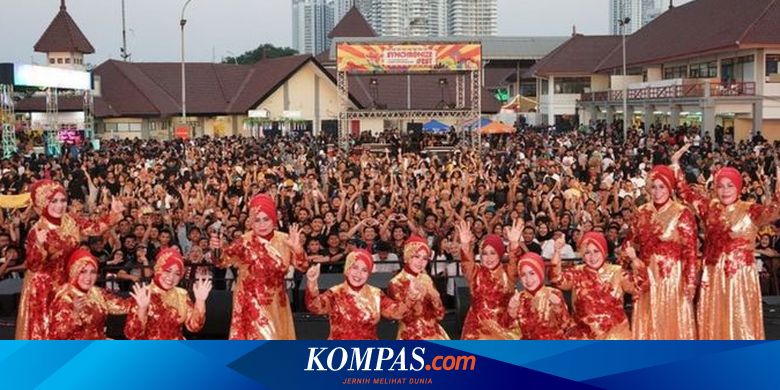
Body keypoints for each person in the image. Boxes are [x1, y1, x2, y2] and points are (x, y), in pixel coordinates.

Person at [672, 144, 780, 339]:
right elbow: (686, 194)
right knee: (713, 320)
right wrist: (675, 165)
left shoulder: (751, 210)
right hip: (712, 275)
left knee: (741, 321)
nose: (725, 190)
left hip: (740, 277)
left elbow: (775, 209)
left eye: (730, 185)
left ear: (739, 188)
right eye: (720, 185)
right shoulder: (709, 207)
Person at [16, 179, 125, 340]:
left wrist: (113, 214)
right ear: (43, 202)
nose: (60, 206)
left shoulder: (70, 220)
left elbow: (94, 228)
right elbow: (33, 265)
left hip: (67, 280)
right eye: (54, 201)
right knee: (47, 328)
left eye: (63, 200)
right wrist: (38, 245)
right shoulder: (38, 230)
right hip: (44, 288)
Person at [212, 194, 308, 340]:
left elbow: (303, 267)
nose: (262, 225)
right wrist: (216, 248)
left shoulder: (285, 240)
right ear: (251, 222)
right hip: (250, 302)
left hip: (277, 302)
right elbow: (221, 261)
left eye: (266, 219)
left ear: (274, 219)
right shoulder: (244, 241)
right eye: (257, 220)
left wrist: (298, 249)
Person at [624, 165, 698, 340]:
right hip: (645, 275)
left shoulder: (682, 213)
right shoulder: (642, 212)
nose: (657, 192)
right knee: (648, 317)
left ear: (670, 188)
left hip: (672, 276)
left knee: (671, 317)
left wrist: (690, 281)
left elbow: (690, 251)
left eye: (662, 186)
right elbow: (629, 241)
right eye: (653, 187)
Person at [305, 249, 421, 340]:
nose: (358, 274)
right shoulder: (335, 293)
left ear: (369, 273)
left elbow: (396, 313)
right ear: (347, 269)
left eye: (364, 270)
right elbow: (315, 307)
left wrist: (411, 296)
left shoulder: (376, 294)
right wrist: (312, 282)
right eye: (355, 267)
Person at [550, 232, 646, 340]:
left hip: (615, 335)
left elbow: (641, 285)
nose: (592, 256)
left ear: (604, 253)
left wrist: (634, 259)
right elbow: (556, 279)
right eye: (587, 252)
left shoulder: (617, 272)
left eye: (596, 251)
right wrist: (557, 251)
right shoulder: (577, 272)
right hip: (583, 336)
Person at [49, 248, 147, 340]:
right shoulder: (64, 297)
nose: (88, 277)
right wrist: (74, 314)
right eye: (83, 272)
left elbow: (121, 306)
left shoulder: (97, 292)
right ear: (74, 272)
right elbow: (57, 335)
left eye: (93, 272)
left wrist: (141, 304)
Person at [124, 247, 212, 340]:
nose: (171, 277)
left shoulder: (182, 294)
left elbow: (194, 327)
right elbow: (132, 335)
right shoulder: (143, 293)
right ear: (158, 269)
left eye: (177, 274)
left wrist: (200, 301)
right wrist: (142, 309)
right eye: (167, 271)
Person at [456, 220, 522, 340]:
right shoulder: (475, 272)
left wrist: (514, 244)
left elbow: (515, 261)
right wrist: (465, 245)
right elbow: (466, 263)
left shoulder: (508, 272)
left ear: (500, 254)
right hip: (477, 329)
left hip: (504, 328)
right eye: (485, 254)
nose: (489, 258)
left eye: (493, 253)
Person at [386, 235, 449, 340]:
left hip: (435, 334)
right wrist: (412, 297)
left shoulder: (426, 278)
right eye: (416, 256)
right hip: (411, 336)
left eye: (425, 258)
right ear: (407, 257)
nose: (421, 262)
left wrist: (435, 298)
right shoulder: (396, 282)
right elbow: (400, 315)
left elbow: (440, 315)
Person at [506, 251, 574, 340]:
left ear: (540, 272)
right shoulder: (519, 298)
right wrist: (511, 309)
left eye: (532, 273)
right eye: (523, 275)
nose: (528, 279)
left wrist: (558, 307)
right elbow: (508, 329)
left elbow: (567, 325)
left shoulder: (553, 293)